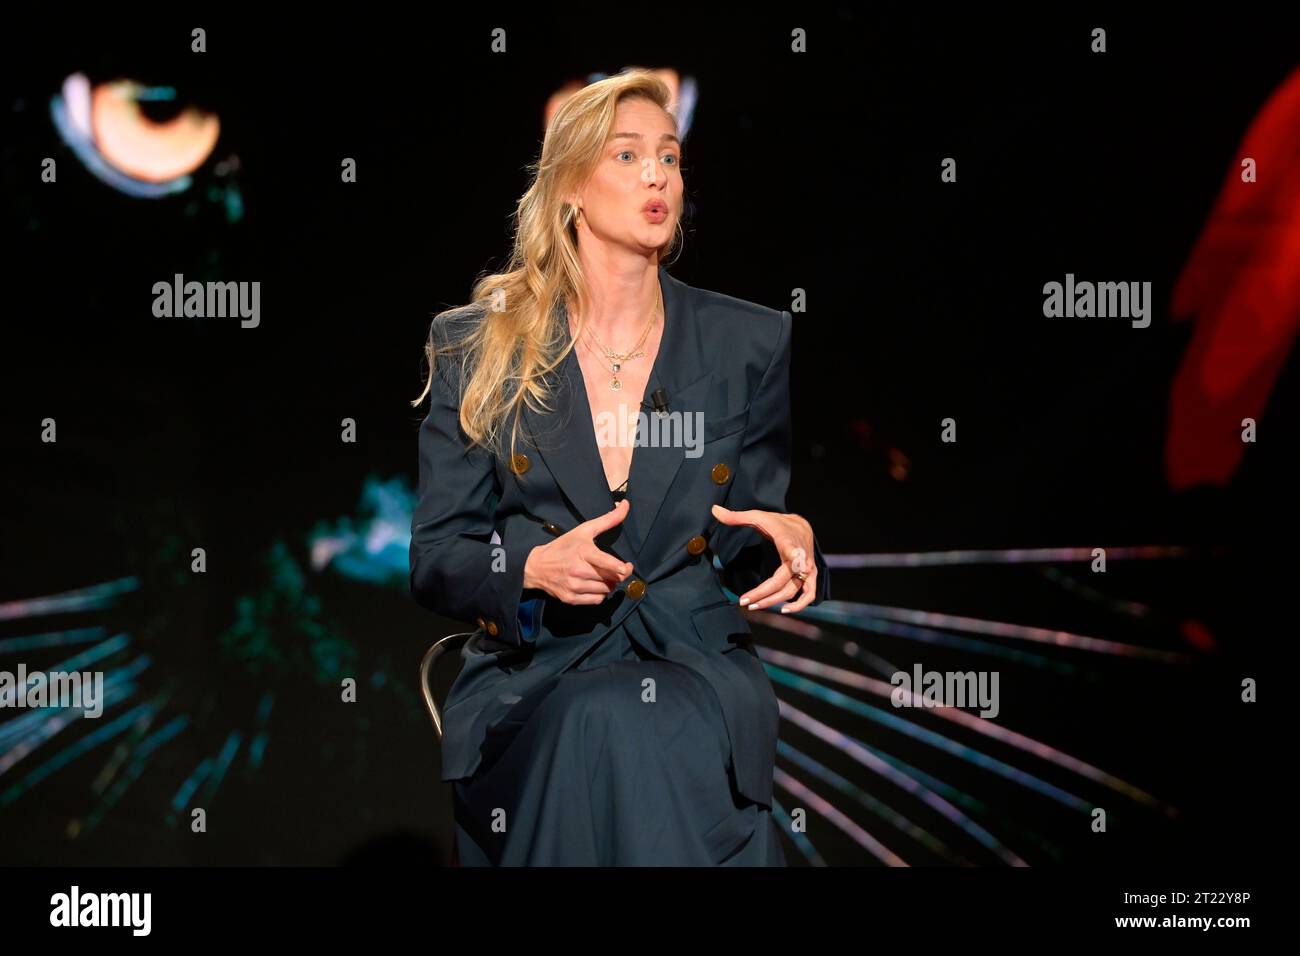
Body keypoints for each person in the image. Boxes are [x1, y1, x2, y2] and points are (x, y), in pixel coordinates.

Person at [409, 69, 830, 866]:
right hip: (537, 682)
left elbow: (745, 540)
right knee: (599, 723)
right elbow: (437, 560)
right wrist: (530, 568)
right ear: (570, 187)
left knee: (630, 728)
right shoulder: (478, 347)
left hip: (693, 672)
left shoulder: (748, 343)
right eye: (628, 155)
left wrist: (789, 540)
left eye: (668, 158)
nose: (656, 175)